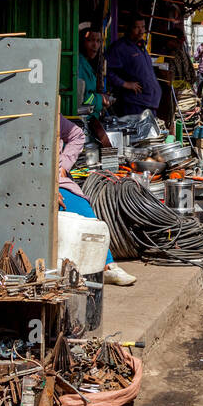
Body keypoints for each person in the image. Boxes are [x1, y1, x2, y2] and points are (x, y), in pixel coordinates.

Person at [57, 117, 133, 285]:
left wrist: (64, 165)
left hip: (59, 182)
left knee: (85, 214)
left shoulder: (54, 116)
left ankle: (106, 266)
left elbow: (77, 135)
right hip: (31, 187)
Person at [106, 15, 161, 117]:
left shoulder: (141, 46)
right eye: (137, 27)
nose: (141, 31)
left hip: (149, 104)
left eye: (143, 27)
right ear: (129, 28)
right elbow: (106, 71)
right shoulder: (120, 47)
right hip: (134, 104)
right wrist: (125, 84)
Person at [77, 25, 113, 117]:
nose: (95, 45)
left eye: (98, 41)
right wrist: (100, 99)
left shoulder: (86, 64)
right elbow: (84, 99)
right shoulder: (79, 64)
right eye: (91, 40)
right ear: (82, 42)